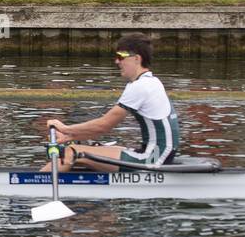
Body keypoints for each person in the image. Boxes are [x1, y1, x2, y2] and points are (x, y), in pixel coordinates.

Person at [46, 33, 179, 170]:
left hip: (152, 159)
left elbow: (104, 126)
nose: (117, 61)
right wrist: (71, 135)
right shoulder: (150, 81)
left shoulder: (140, 86)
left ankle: (34, 185)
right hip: (158, 154)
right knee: (95, 148)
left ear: (137, 59)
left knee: (71, 152)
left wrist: (65, 129)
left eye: (121, 56)